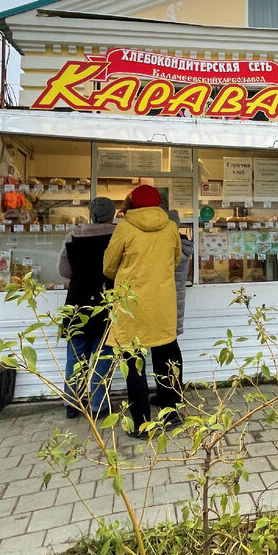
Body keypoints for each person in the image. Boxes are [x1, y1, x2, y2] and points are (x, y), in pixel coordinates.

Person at [102, 184, 181, 438]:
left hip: (132, 306)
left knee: (134, 366)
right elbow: (176, 259)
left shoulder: (124, 228)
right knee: (166, 359)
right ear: (158, 203)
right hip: (162, 303)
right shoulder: (170, 227)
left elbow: (108, 267)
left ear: (132, 204)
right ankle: (171, 414)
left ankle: (141, 424)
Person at [58, 196, 117, 420]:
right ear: (112, 215)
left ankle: (73, 403)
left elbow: (64, 270)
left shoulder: (73, 235)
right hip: (107, 299)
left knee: (76, 355)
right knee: (104, 354)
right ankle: (99, 405)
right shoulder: (117, 236)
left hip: (78, 300)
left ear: (91, 213)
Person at [155, 209, 194, 419]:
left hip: (168, 302)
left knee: (167, 351)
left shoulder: (170, 245)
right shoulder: (181, 243)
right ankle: (168, 392)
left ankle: (171, 397)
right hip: (173, 302)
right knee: (167, 349)